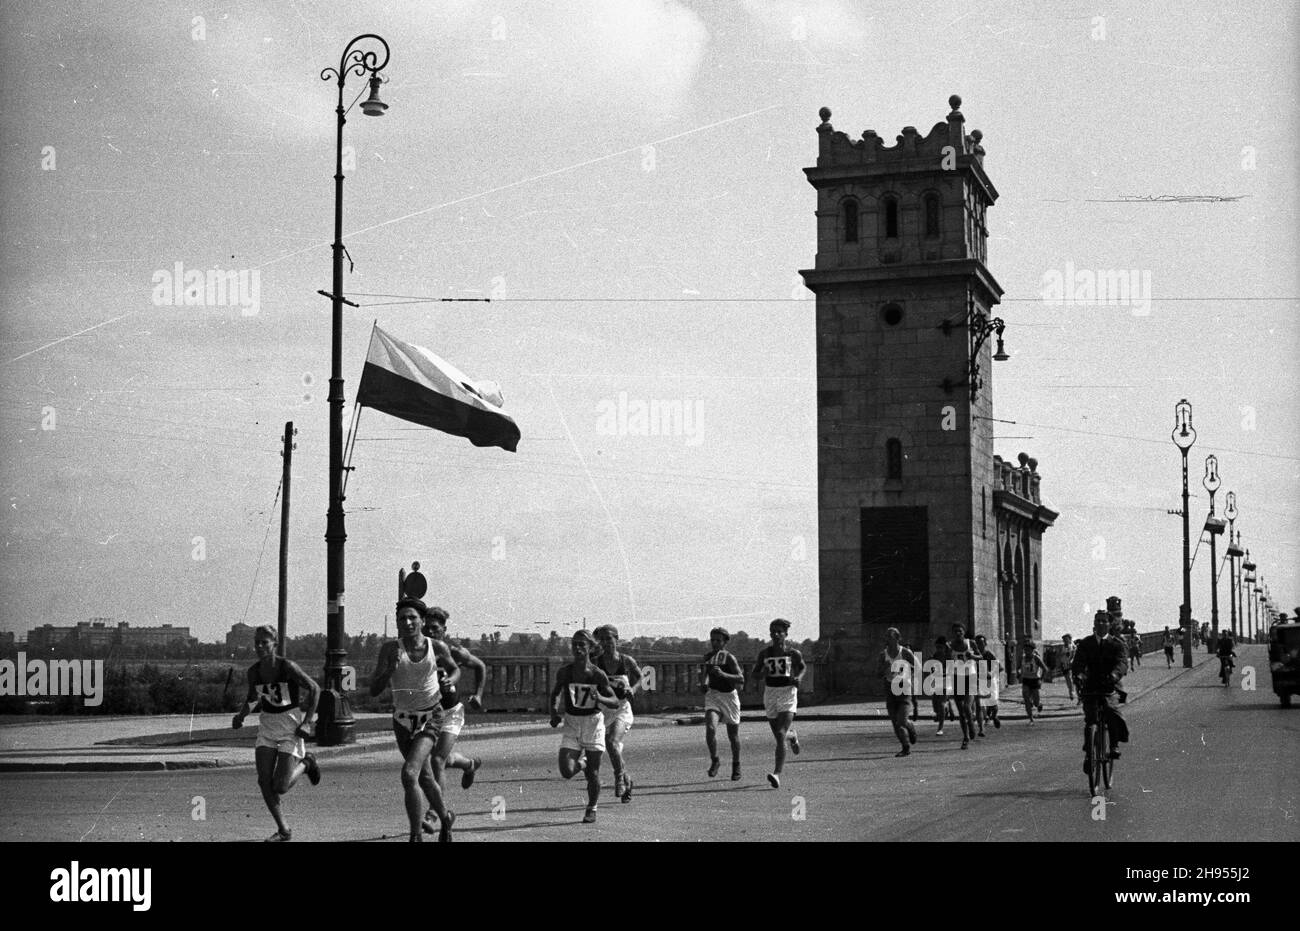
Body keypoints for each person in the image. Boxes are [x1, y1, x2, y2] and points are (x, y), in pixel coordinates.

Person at [369, 598, 460, 842]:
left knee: (410, 774)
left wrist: (450, 680)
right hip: (402, 720)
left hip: (430, 717)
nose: (408, 622)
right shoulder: (390, 649)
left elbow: (455, 669)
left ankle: (415, 835)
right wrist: (389, 669)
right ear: (397, 623)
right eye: (403, 618)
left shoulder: (436, 647)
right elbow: (374, 690)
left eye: (413, 618)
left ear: (422, 621)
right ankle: (446, 819)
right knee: (426, 778)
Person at [231, 625, 321, 842]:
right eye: (257, 643)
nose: (260, 647)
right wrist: (241, 716)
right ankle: (283, 830)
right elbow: (254, 697)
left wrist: (307, 722)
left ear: (275, 644)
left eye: (265, 642)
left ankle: (307, 763)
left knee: (279, 786)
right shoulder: (254, 671)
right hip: (268, 725)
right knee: (263, 781)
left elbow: (315, 688)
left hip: (290, 724)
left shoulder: (287, 666)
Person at [550, 629, 621, 823]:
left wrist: (600, 697)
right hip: (572, 723)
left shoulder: (597, 674)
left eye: (582, 644)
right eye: (574, 644)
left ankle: (592, 807)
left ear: (590, 648)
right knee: (566, 770)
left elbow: (615, 701)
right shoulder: (565, 672)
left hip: (592, 724)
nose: (577, 648)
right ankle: (582, 764)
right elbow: (555, 693)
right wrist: (554, 712)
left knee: (594, 774)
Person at [423, 607, 486, 797]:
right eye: (427, 628)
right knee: (440, 759)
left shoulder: (454, 652)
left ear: (444, 630)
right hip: (428, 713)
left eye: (435, 628)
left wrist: (479, 695)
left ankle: (435, 813)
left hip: (451, 712)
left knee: (436, 760)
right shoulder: (419, 651)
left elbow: (480, 666)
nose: (430, 633)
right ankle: (469, 764)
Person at [1071, 610, 1129, 776]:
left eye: (1104, 621)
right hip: (1091, 685)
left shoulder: (1116, 644)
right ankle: (1089, 754)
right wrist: (1079, 675)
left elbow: (1122, 662)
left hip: (1110, 685)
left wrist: (1115, 675)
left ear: (1109, 625)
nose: (1101, 624)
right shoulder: (1086, 643)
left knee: (1111, 711)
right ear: (1094, 624)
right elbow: (1078, 663)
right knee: (1090, 718)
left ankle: (1114, 744)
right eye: (1098, 621)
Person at [752, 618, 805, 788]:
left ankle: (776, 774)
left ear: (785, 634)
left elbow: (803, 667)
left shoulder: (793, 653)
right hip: (771, 694)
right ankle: (793, 736)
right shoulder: (765, 653)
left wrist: (798, 678)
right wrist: (763, 673)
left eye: (779, 632)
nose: (775, 634)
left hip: (788, 693)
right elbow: (755, 674)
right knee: (779, 735)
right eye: (773, 631)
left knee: (780, 733)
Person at [593, 624, 642, 803]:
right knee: (613, 750)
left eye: (609, 638)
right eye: (603, 639)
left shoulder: (626, 660)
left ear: (616, 639)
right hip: (604, 711)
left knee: (612, 742)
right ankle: (627, 781)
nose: (606, 642)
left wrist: (633, 689)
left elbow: (641, 677)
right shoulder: (597, 663)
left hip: (622, 709)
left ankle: (619, 778)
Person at [699, 626, 745, 778]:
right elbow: (705, 675)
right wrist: (704, 683)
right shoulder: (707, 657)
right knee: (711, 728)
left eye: (718, 640)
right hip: (713, 696)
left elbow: (740, 678)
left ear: (725, 642)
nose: (715, 643)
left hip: (729, 697)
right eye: (712, 640)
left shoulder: (729, 658)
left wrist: (724, 674)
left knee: (733, 736)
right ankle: (715, 759)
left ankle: (736, 764)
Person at [879, 627, 918, 756]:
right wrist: (883, 668)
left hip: (904, 688)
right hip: (890, 689)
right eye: (886, 636)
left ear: (897, 638)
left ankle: (910, 726)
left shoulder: (905, 652)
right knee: (894, 722)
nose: (887, 639)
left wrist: (907, 673)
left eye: (890, 636)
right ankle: (905, 747)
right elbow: (877, 673)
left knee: (901, 720)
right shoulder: (883, 655)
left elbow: (918, 667)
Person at [948, 623, 978, 749]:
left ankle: (971, 725)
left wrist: (973, 656)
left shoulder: (971, 643)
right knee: (961, 711)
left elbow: (980, 656)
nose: (958, 633)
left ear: (964, 632)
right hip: (957, 678)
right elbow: (946, 660)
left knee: (967, 706)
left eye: (960, 631)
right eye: (955, 631)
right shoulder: (950, 646)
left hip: (970, 676)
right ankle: (965, 737)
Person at [973, 634, 1001, 732]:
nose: (979, 645)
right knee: (981, 703)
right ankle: (986, 719)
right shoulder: (973, 656)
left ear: (985, 644)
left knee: (993, 704)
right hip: (979, 682)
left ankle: (994, 716)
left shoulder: (989, 654)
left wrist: (991, 673)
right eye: (977, 643)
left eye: (981, 643)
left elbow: (999, 667)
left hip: (990, 681)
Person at [1019, 639, 1048, 723]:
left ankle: (1039, 705)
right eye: (1025, 650)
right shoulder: (1022, 658)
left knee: (1036, 702)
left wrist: (1041, 680)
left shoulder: (1036, 658)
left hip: (1035, 680)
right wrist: (1019, 672)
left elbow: (1045, 669)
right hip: (1026, 680)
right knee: (1026, 699)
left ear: (1032, 650)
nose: (1026, 651)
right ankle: (1031, 719)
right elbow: (1018, 667)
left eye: (1028, 650)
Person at [930, 636, 952, 736]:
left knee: (941, 704)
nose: (939, 649)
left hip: (947, 680)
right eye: (937, 647)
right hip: (937, 680)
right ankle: (947, 706)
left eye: (941, 647)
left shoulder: (948, 655)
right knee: (935, 706)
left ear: (945, 647)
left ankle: (940, 728)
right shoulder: (935, 655)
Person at [1057, 634, 1077, 702]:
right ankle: (1071, 691)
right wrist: (1059, 662)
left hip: (1071, 665)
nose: (1065, 640)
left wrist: (1071, 661)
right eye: (1064, 639)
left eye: (1066, 639)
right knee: (1068, 679)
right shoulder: (1061, 647)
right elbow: (1058, 656)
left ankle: (1072, 692)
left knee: (1070, 678)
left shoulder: (1073, 646)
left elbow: (1074, 655)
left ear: (1069, 639)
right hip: (1064, 665)